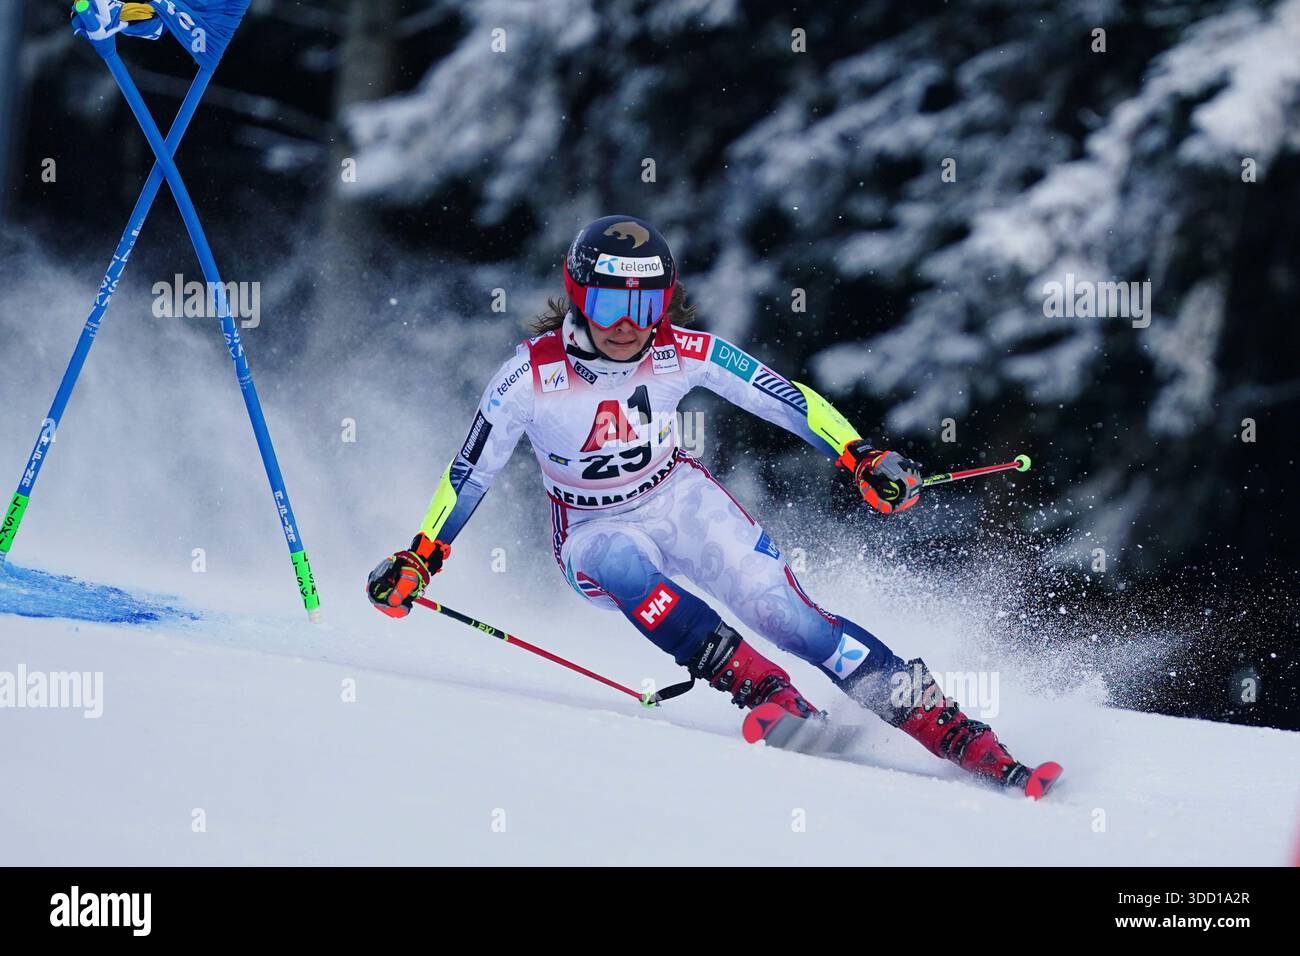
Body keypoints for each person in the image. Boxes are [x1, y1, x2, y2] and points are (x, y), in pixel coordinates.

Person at [368, 215, 1044, 790]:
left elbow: (784, 398)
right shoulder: (528, 377)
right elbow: (470, 472)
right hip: (590, 526)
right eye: (610, 306)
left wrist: (857, 454)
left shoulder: (681, 352)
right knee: (623, 562)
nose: (629, 327)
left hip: (677, 496)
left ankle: (951, 729)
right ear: (578, 298)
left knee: (787, 616)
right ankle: (765, 691)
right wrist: (422, 557)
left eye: (646, 306)